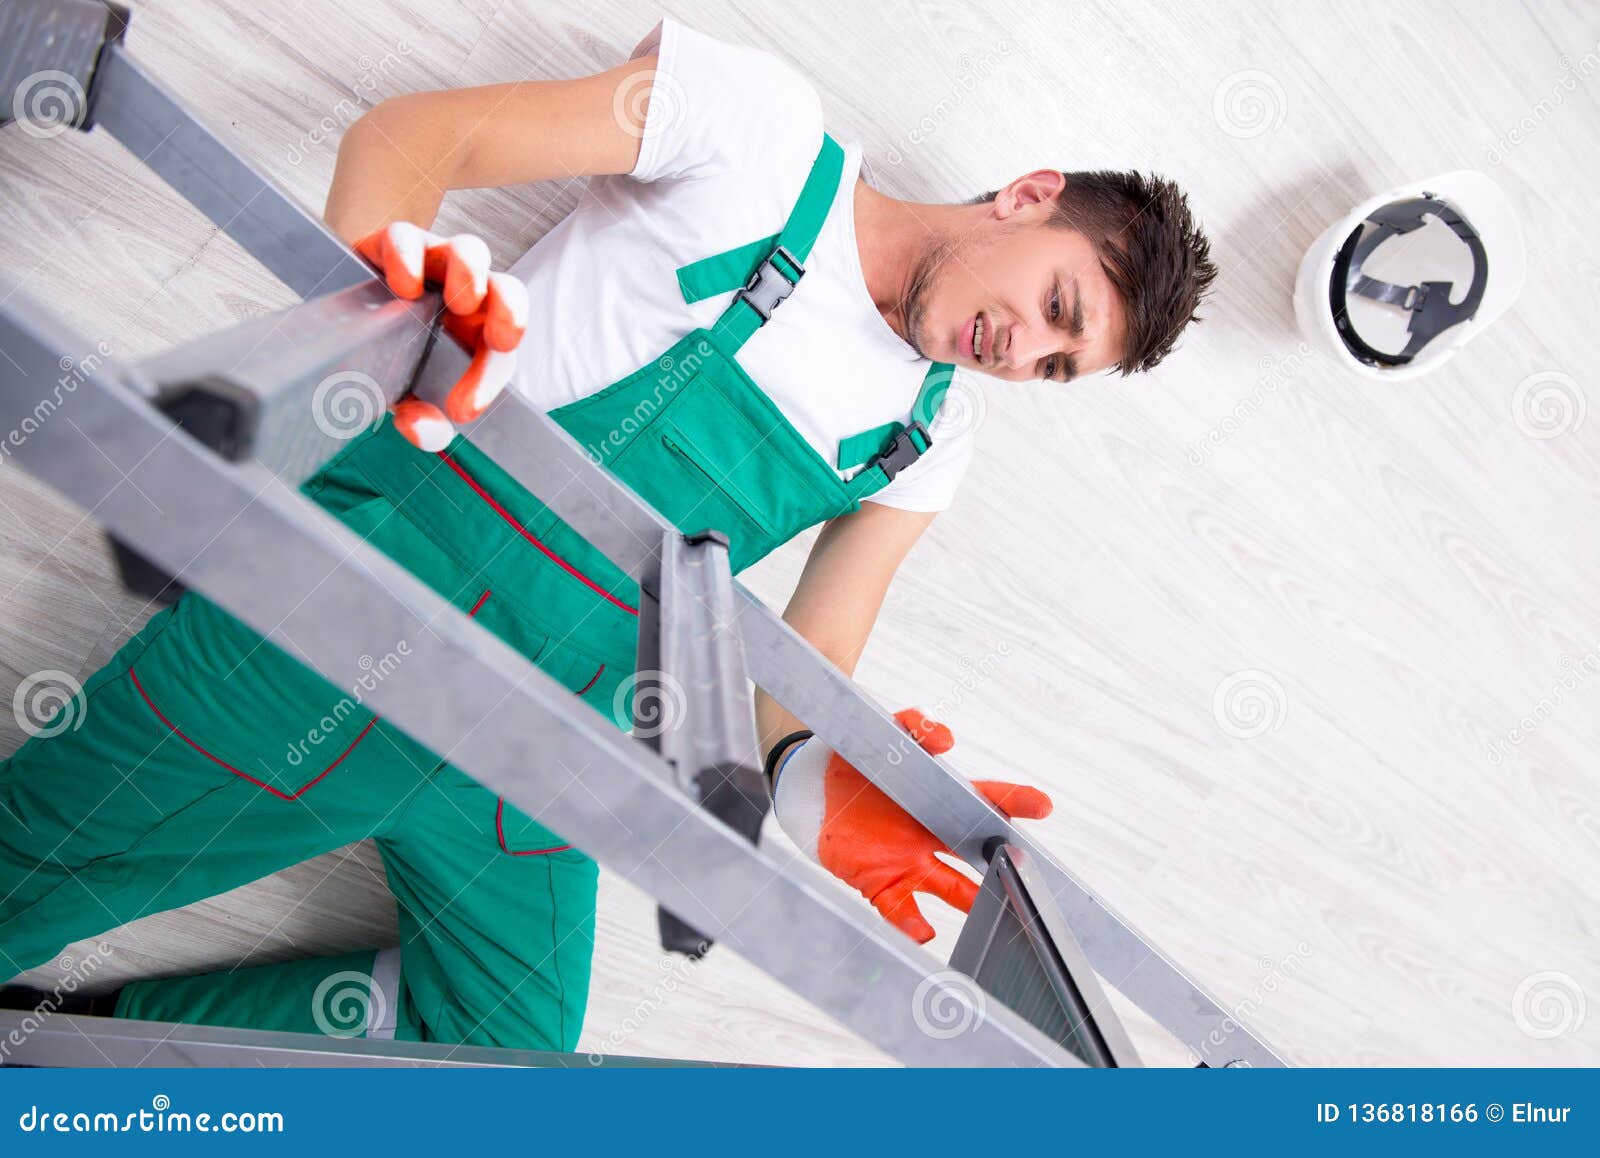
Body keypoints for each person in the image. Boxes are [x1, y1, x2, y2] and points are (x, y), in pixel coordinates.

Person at [0, 19, 1216, 1051]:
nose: (1023, 348)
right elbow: (417, 138)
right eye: (1055, 305)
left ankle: (66, 1051)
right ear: (1028, 197)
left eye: (1059, 364)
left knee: (496, 1056)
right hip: (352, 603)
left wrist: (822, 782)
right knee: (20, 879)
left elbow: (803, 668)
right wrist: (382, 303)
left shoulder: (932, 434)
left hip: (545, 757)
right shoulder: (764, 134)